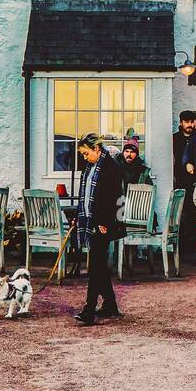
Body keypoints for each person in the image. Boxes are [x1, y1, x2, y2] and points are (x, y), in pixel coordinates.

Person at [73, 133, 125, 327]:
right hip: (90, 221)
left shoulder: (111, 168)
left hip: (102, 224)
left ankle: (89, 310)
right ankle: (110, 304)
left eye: (86, 153)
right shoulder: (90, 167)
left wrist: (104, 222)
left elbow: (115, 198)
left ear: (96, 149)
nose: (84, 158)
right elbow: (85, 196)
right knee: (99, 266)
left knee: (95, 266)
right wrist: (79, 217)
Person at [172, 110, 196, 247]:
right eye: (186, 122)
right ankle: (182, 245)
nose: (189, 125)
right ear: (181, 123)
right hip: (179, 180)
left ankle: (194, 246)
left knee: (195, 213)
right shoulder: (175, 138)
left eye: (191, 122)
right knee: (180, 213)